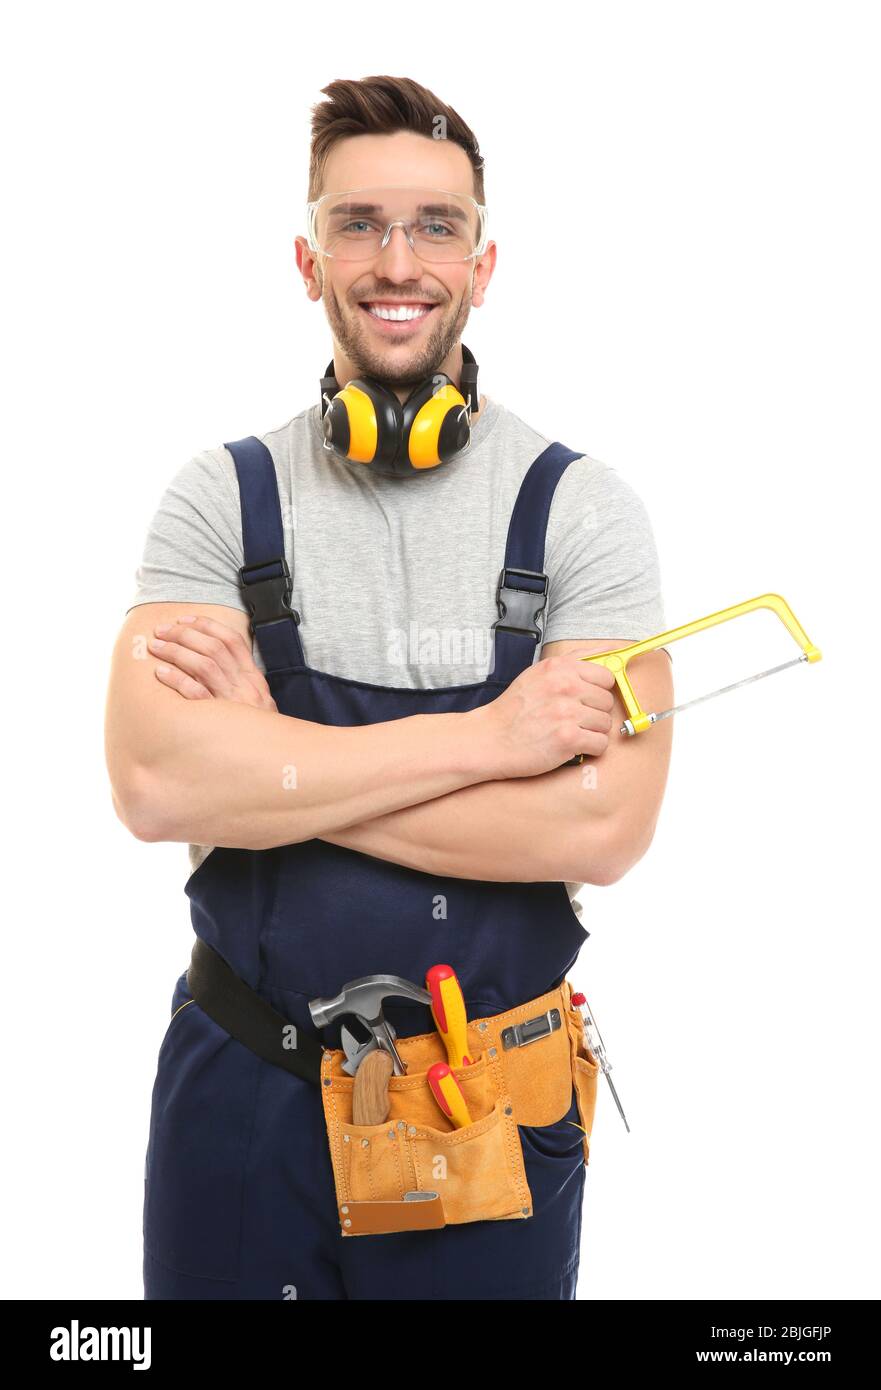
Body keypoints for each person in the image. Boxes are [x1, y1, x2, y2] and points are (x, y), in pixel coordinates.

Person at [104, 74, 674, 1301]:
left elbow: (601, 826)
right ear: (308, 260)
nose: (394, 258)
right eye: (357, 223)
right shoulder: (220, 497)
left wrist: (267, 755)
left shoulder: (583, 513)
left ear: (482, 262)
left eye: (434, 225)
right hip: (241, 1104)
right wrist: (493, 738)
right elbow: (155, 783)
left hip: (490, 1114)